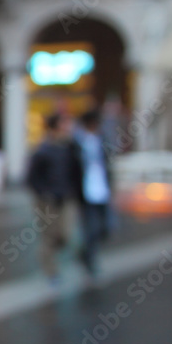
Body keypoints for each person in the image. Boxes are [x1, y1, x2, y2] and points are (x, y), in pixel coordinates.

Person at [26, 113, 82, 283]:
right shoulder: (43, 149)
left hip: (66, 197)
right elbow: (31, 177)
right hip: (47, 201)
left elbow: (77, 171)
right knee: (49, 236)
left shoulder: (70, 147)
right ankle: (51, 271)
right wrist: (44, 192)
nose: (67, 127)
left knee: (66, 234)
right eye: (63, 124)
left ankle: (47, 255)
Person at [76, 109, 111, 278]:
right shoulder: (77, 142)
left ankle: (85, 253)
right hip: (86, 192)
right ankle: (89, 259)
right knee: (91, 228)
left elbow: (107, 165)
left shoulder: (101, 140)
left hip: (102, 190)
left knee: (104, 228)